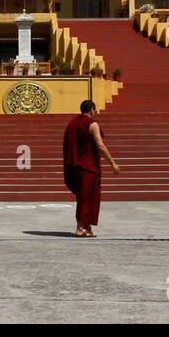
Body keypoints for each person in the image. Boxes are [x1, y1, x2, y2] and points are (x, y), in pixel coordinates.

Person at [62, 100, 119, 238]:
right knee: (87, 198)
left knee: (83, 198)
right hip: (88, 167)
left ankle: (85, 227)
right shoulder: (92, 124)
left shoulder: (72, 124)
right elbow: (100, 145)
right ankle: (80, 228)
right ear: (91, 110)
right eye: (95, 110)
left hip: (77, 166)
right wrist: (113, 163)